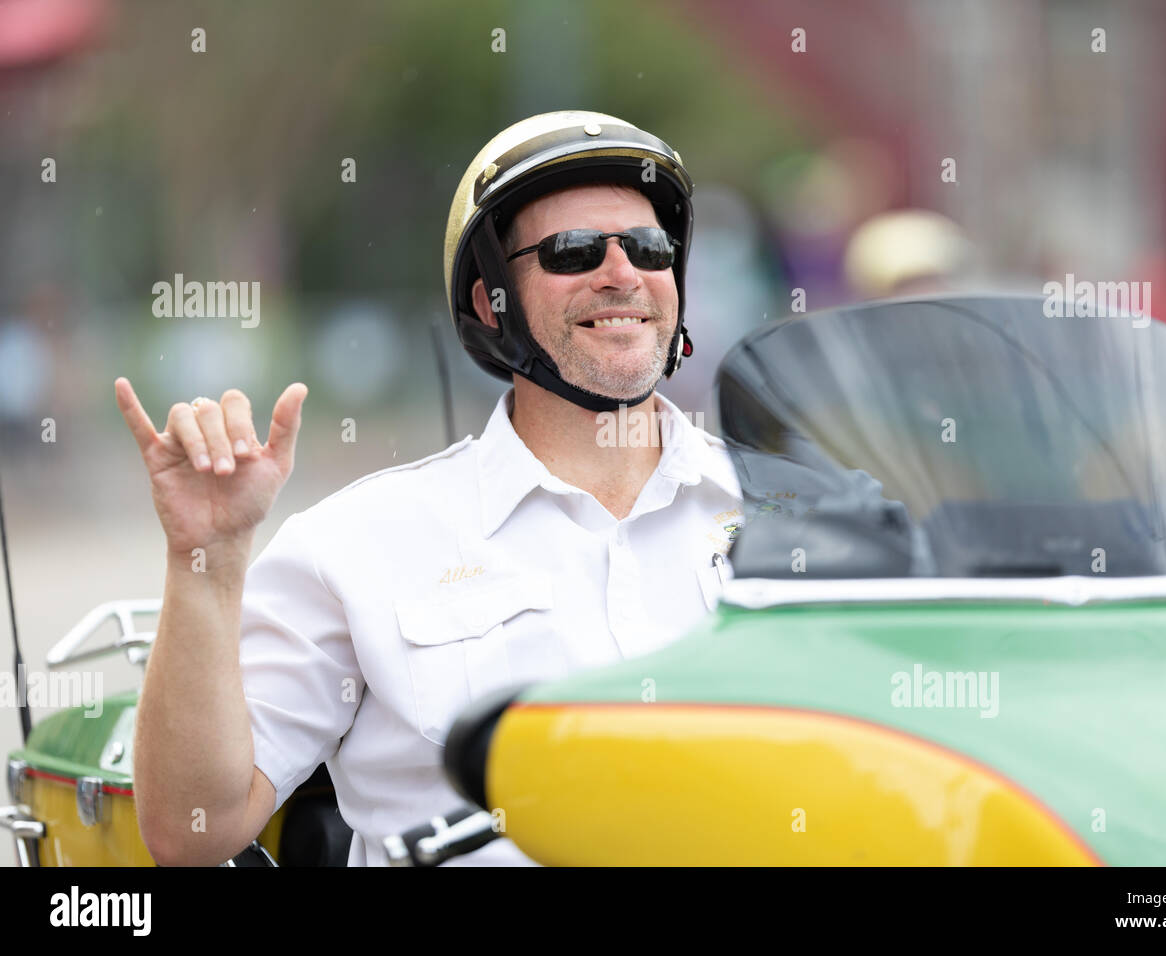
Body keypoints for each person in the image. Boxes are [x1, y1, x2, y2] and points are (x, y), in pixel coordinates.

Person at [114, 110, 741, 866]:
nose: (623, 274)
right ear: (490, 302)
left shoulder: (797, 515)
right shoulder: (356, 544)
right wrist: (204, 560)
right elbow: (191, 830)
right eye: (574, 251)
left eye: (649, 248)